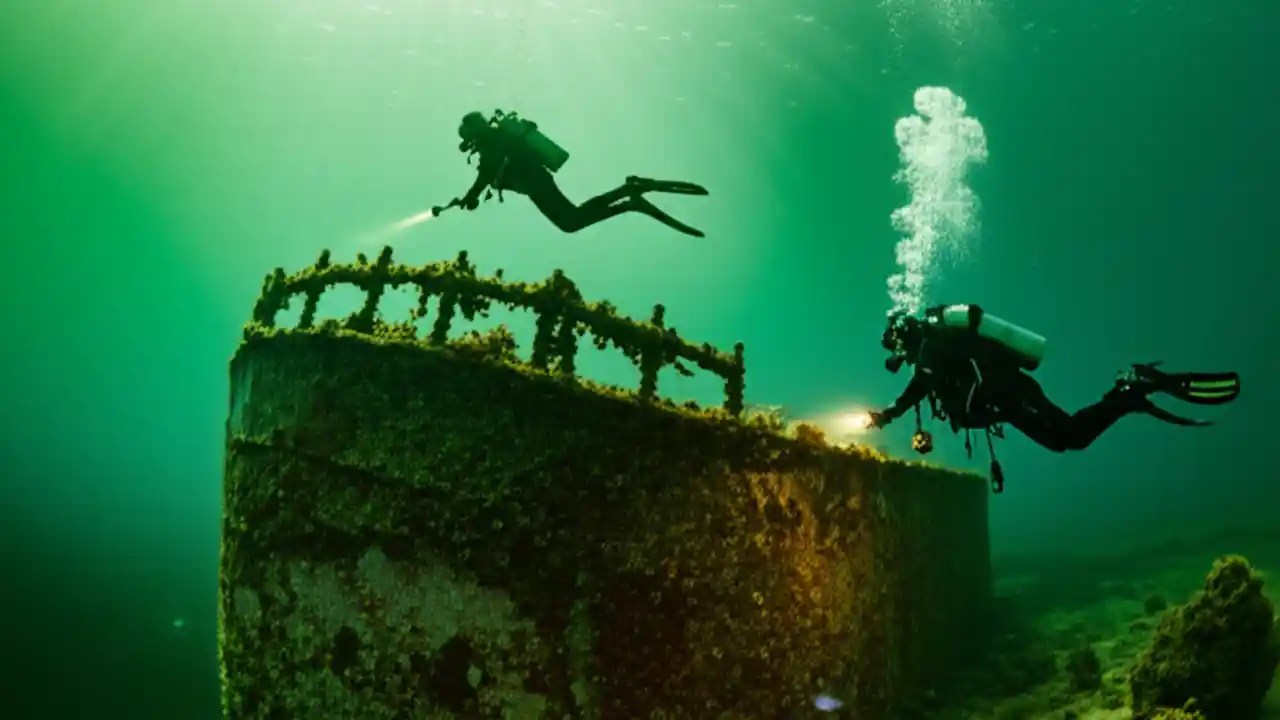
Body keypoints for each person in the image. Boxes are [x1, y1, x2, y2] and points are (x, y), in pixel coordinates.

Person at [867, 305, 1241, 457]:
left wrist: (887, 415)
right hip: (1010, 402)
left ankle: (1131, 391)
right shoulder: (937, 352)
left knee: (1071, 438)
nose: (902, 360)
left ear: (904, 340)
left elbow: (919, 387)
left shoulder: (931, 352)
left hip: (1013, 398)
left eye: (899, 352)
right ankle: (1127, 394)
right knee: (1068, 439)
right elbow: (927, 387)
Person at [448, 110, 709, 237]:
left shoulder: (490, 143)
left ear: (473, 132)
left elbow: (484, 175)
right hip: (538, 179)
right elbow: (489, 173)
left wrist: (470, 197)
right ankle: (629, 193)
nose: (468, 141)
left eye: (466, 135)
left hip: (535, 183)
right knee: (572, 218)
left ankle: (630, 198)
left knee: (570, 223)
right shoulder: (497, 137)